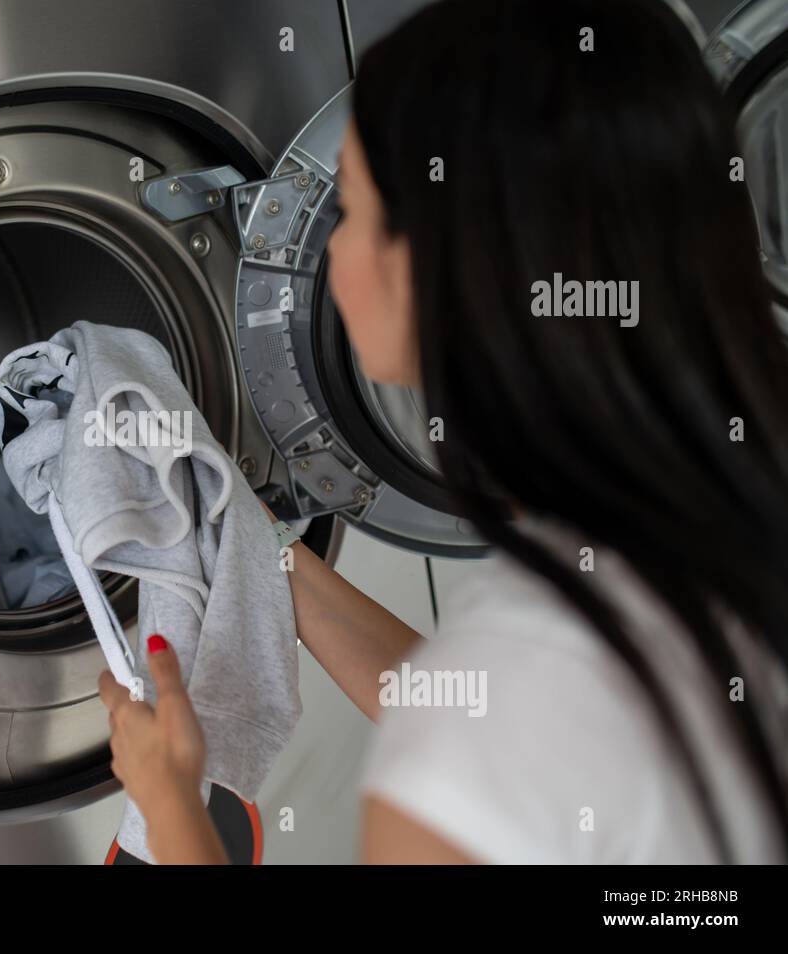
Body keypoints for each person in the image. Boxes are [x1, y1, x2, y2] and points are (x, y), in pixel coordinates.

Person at [97, 0, 788, 864]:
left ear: (433, 266)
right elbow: (513, 721)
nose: (329, 253)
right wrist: (257, 543)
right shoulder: (713, 532)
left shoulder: (479, 734)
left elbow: (493, 735)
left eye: (350, 209)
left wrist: (172, 808)